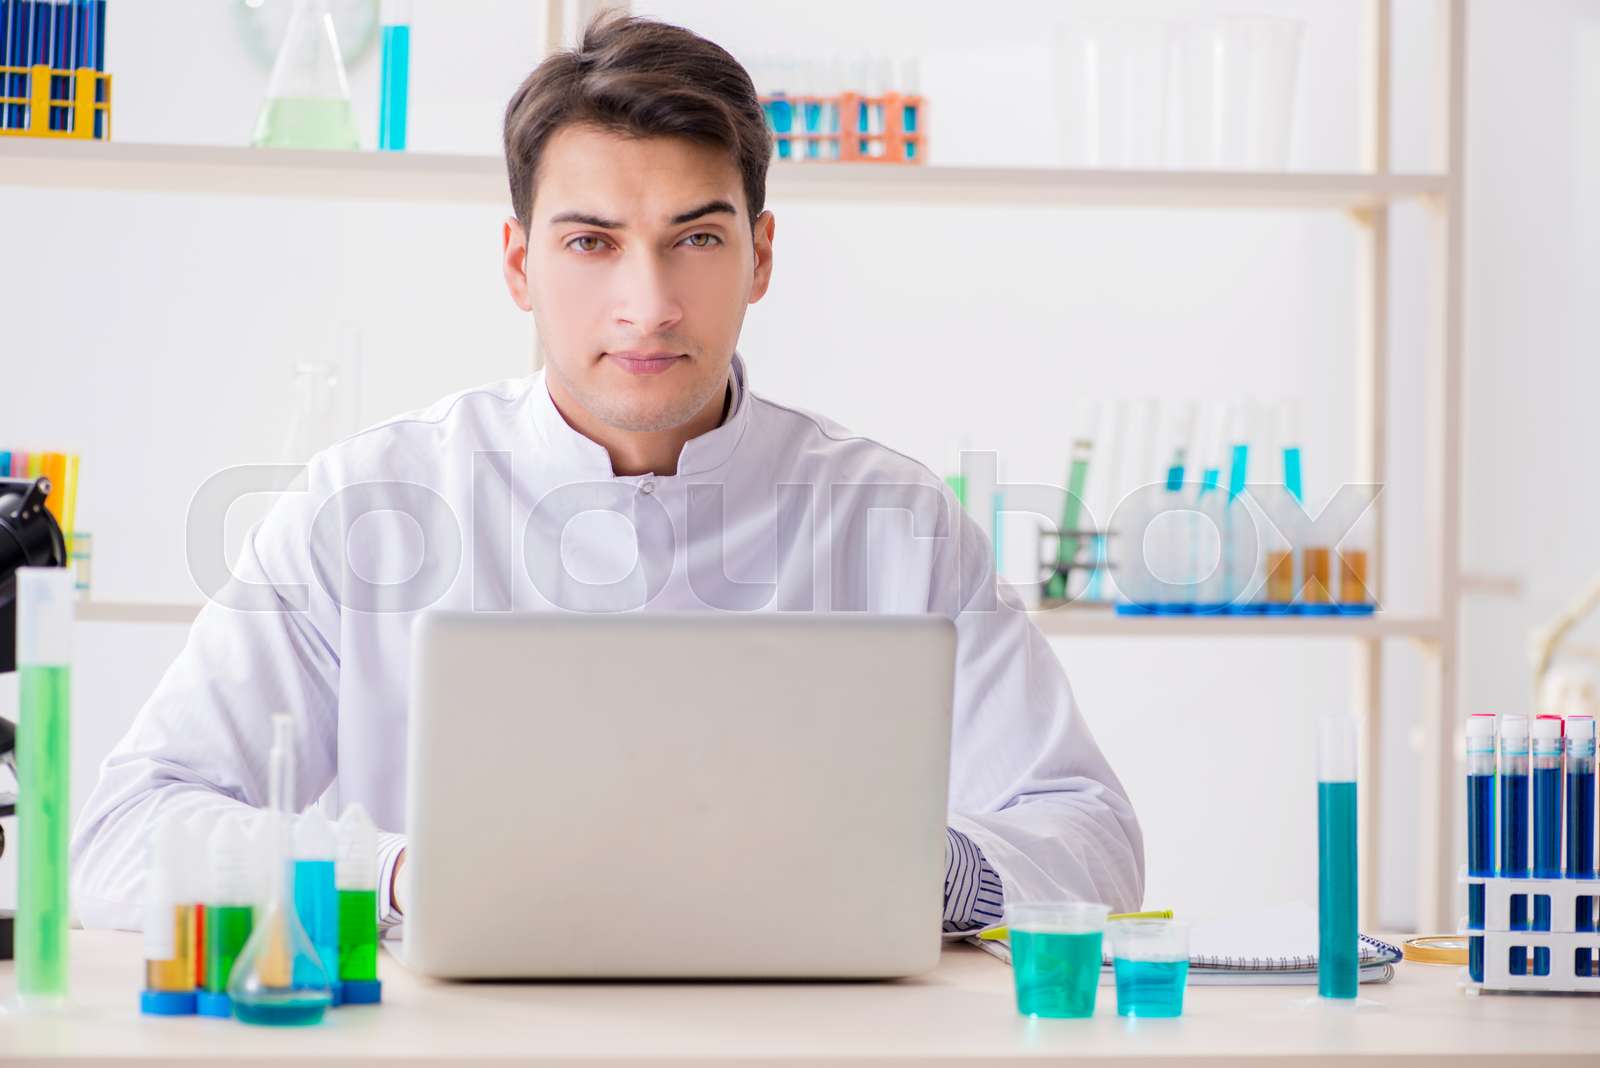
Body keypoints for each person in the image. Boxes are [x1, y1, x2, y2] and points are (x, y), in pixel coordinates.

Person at [71, 15, 1142, 935]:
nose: (649, 304)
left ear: (760, 257)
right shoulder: (366, 507)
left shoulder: (894, 521)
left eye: (696, 239)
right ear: (517, 261)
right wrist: (401, 874)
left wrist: (910, 865)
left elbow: (1090, 839)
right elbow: (124, 836)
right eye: (591, 243)